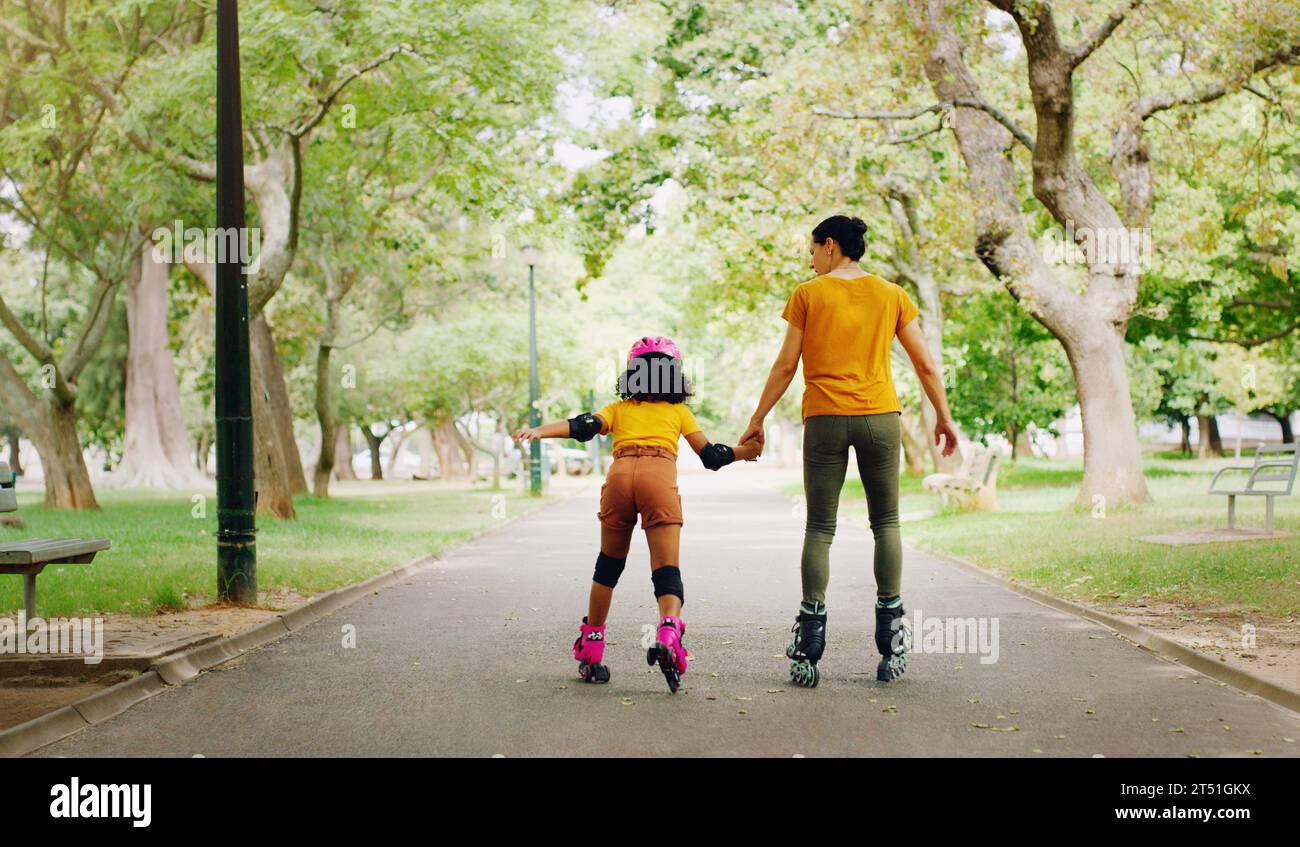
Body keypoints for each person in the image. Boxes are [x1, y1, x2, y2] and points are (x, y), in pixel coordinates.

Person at [739, 215, 957, 686]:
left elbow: (784, 367)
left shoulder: (807, 295)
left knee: (820, 527)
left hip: (825, 420)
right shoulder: (892, 294)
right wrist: (944, 416)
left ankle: (809, 646)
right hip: (881, 418)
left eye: (813, 250)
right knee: (887, 524)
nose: (811, 260)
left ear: (832, 246)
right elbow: (924, 364)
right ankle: (892, 642)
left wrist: (756, 421)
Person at [513, 335, 760, 693]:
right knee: (666, 570)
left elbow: (584, 426)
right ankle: (669, 630)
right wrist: (744, 452)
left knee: (608, 566)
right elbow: (712, 456)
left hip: (620, 476)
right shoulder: (677, 412)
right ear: (674, 375)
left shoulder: (619, 409)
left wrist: (540, 431)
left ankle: (592, 648)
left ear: (633, 374)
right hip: (657, 478)